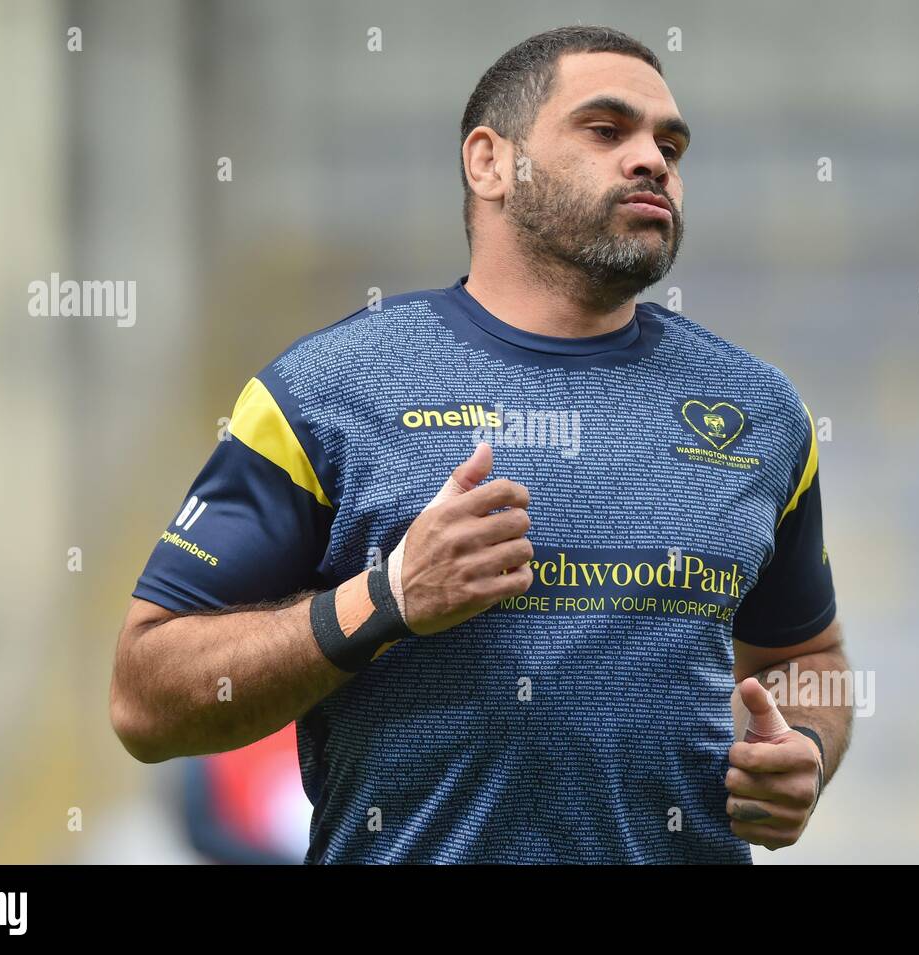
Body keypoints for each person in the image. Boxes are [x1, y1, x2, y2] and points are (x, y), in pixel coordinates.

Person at [111, 24, 852, 863]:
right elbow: (146, 698)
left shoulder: (759, 410)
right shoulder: (323, 392)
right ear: (490, 162)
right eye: (608, 130)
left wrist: (809, 751)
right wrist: (382, 600)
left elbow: (807, 654)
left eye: (670, 144)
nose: (654, 160)